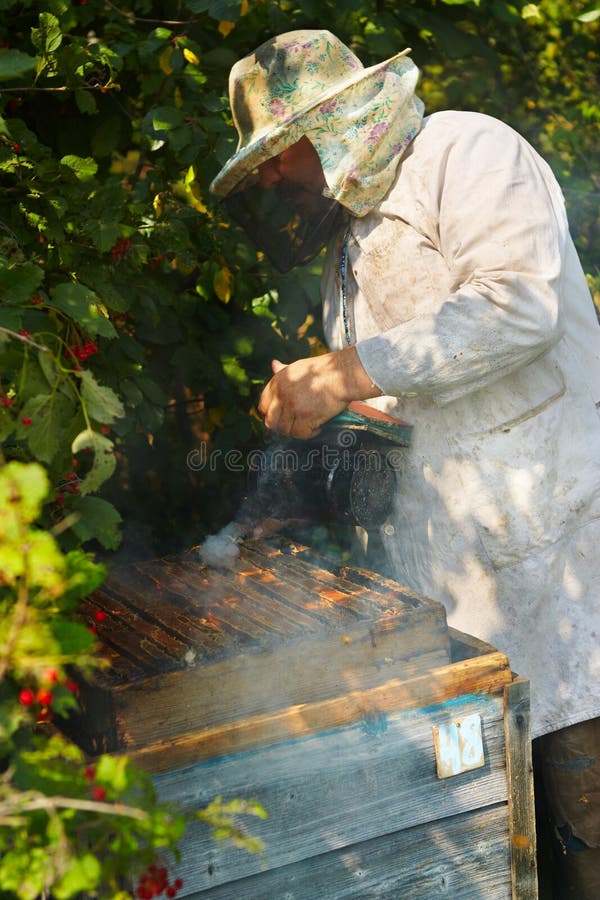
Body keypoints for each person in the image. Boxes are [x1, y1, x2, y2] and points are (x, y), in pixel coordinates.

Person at [210, 29, 600, 897]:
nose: (272, 177)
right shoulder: (346, 255)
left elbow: (517, 307)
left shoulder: (468, 152)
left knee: (584, 831)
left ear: (336, 121)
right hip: (455, 604)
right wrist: (296, 493)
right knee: (502, 853)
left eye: (277, 152)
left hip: (566, 576)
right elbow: (399, 418)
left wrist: (343, 372)